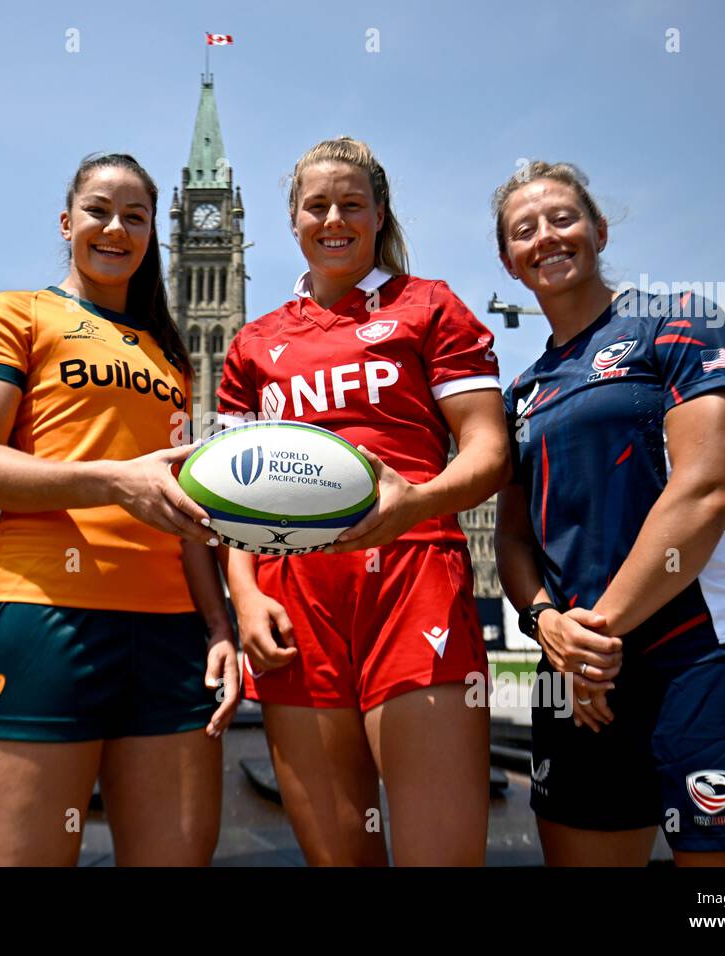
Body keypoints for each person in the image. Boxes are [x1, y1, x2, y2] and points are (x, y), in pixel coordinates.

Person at [491, 161, 725, 866]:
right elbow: (513, 538)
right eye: (524, 231)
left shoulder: (680, 320)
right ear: (509, 261)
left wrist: (594, 639)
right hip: (573, 671)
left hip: (696, 656)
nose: (546, 236)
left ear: (599, 229)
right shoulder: (522, 392)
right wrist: (551, 627)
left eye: (563, 218)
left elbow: (702, 494)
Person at [216, 137, 510, 866]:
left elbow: (488, 451)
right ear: (293, 221)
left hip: (414, 577)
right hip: (294, 596)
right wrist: (244, 594)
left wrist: (417, 502)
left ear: (379, 214)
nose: (334, 218)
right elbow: (231, 497)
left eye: (353, 203)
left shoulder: (430, 306)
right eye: (317, 205)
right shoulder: (254, 343)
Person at [0, 153, 240, 867]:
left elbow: (184, 512)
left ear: (153, 232)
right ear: (67, 220)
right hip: (42, 616)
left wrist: (218, 627)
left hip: (170, 636)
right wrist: (111, 481)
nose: (116, 228)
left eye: (134, 216)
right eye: (100, 210)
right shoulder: (15, 313)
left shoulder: (172, 358)